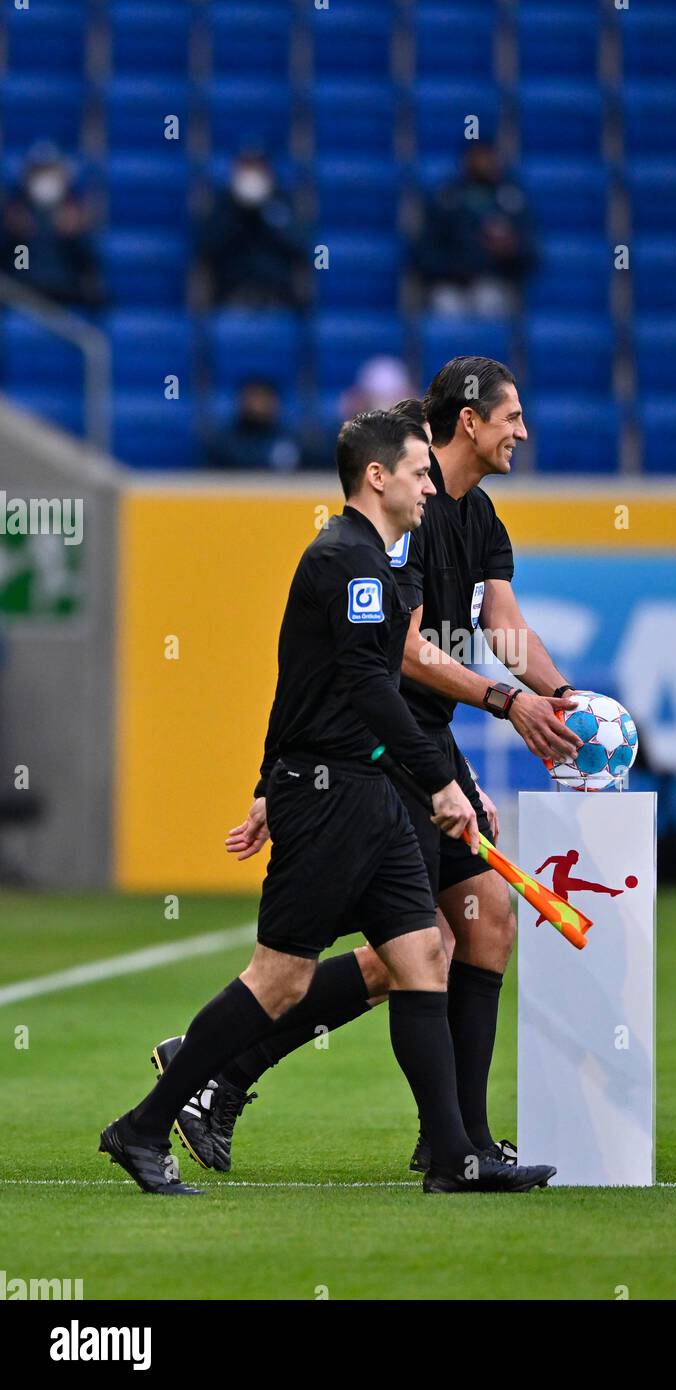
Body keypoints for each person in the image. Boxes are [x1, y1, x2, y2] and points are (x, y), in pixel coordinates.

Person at [100, 409, 555, 1195]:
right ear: (376, 477)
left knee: (421, 957)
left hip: (368, 791)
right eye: (417, 472)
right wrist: (439, 780)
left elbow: (298, 684)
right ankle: (143, 1126)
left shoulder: (370, 563)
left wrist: (266, 779)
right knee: (278, 979)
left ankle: (453, 1158)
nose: (427, 487)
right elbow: (364, 690)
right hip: (332, 797)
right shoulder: (346, 563)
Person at [410, 144, 538, 316]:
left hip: (492, 281)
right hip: (449, 282)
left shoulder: (511, 200)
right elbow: (423, 253)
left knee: (489, 299)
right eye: (477, 157)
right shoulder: (445, 199)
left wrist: (510, 250)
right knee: (446, 305)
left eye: (487, 158)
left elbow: (531, 253)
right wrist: (455, 265)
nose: (483, 163)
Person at [196, 151, 309, 309]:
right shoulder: (224, 205)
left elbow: (300, 246)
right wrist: (238, 210)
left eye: (257, 169)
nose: (252, 176)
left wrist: (266, 210)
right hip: (232, 297)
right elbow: (207, 247)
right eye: (247, 168)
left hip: (277, 298)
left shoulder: (281, 202)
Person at [0, 142, 104, 309]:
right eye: (39, 171)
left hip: (66, 296)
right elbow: (15, 267)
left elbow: (92, 277)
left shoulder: (75, 211)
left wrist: (74, 237)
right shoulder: (15, 210)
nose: (45, 179)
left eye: (51, 171)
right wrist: (16, 238)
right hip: (22, 295)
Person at [204, 380, 319, 473]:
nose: (258, 404)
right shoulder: (223, 443)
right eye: (253, 397)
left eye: (264, 398)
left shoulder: (290, 439)